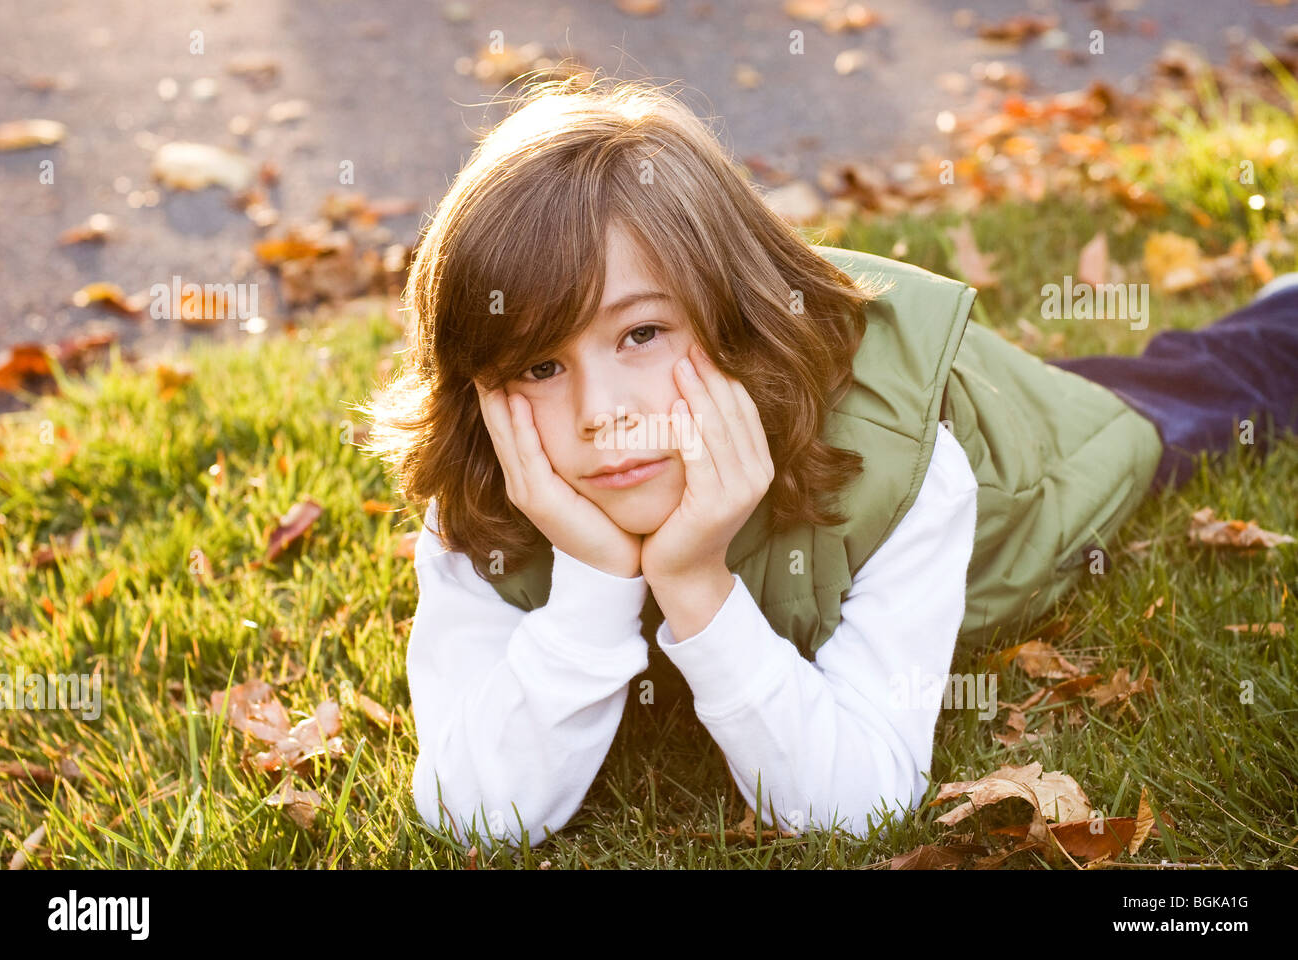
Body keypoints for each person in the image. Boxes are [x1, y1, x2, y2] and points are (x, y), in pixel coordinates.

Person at [359, 76, 1298, 852]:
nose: (600, 416)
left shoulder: (904, 463)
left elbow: (861, 803)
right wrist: (598, 579)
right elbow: (474, 815)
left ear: (734, 320)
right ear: (477, 385)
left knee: (1178, 401)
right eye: (540, 363)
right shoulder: (487, 484)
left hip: (1019, 454)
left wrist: (693, 583)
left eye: (642, 333)